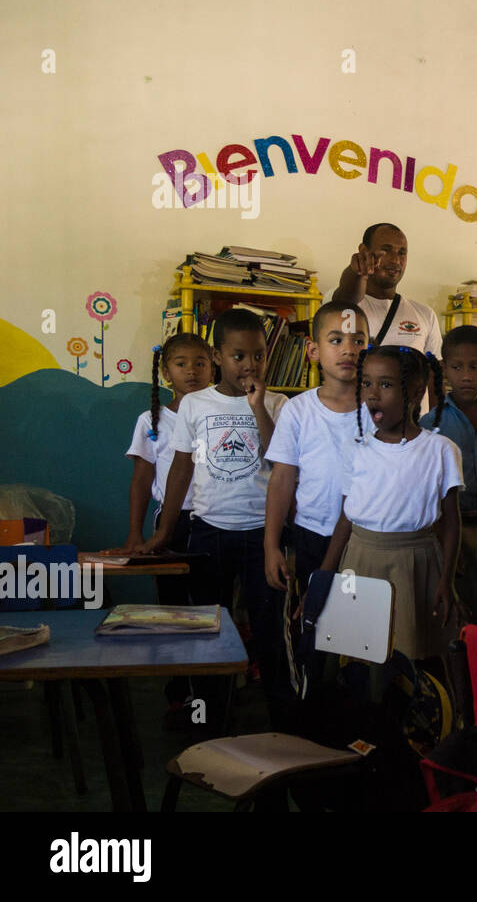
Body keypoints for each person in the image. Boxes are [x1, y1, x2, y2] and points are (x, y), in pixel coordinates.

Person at [141, 308, 287, 718]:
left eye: (258, 355)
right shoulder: (194, 406)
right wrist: (165, 529)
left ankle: (282, 717)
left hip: (263, 533)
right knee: (208, 627)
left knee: (269, 630)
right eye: (239, 356)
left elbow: (280, 462)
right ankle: (207, 711)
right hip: (208, 531)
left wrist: (257, 406)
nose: (250, 364)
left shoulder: (278, 403)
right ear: (218, 356)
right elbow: (181, 468)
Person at [320, 346, 462, 664]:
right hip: (360, 559)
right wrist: (325, 576)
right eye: (366, 383)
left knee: (411, 659)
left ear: (415, 391)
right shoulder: (355, 448)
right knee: (358, 662)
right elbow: (346, 516)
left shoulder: (441, 450)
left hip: (417, 564)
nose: (373, 395)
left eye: (385, 384)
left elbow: (451, 521)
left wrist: (446, 580)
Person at [263, 301, 370, 703]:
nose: (349, 349)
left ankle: (357, 727)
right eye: (336, 339)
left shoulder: (377, 412)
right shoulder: (298, 411)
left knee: (360, 643)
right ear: (312, 350)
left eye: (359, 340)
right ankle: (312, 721)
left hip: (364, 545)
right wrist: (272, 544)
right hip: (311, 539)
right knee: (313, 634)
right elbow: (282, 478)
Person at [118, 333, 214, 722]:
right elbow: (142, 480)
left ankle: (211, 696)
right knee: (173, 613)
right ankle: (180, 694)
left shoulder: (221, 414)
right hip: (169, 525)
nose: (191, 371)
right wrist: (134, 534)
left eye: (200, 362)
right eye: (181, 363)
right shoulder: (152, 420)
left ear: (214, 366)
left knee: (212, 609)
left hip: (214, 523)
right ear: (165, 371)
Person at [418, 325, 477, 632]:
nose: (467, 376)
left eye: (476, 367)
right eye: (457, 368)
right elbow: (426, 492)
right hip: (452, 531)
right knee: (462, 616)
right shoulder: (429, 426)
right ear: (444, 369)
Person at [332, 222, 442, 412]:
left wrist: (437, 426)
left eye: (402, 253)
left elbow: (435, 380)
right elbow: (345, 297)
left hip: (412, 433)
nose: (395, 260)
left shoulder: (425, 314)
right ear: (364, 251)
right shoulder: (345, 306)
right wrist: (355, 271)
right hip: (358, 429)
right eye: (386, 250)